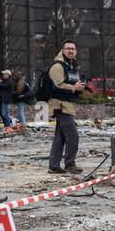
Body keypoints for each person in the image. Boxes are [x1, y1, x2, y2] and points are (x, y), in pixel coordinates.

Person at [47, 40, 87, 174]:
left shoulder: (71, 66)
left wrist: (80, 88)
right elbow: (57, 85)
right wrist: (74, 87)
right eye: (68, 48)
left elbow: (71, 85)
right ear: (63, 50)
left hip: (67, 105)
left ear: (76, 51)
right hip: (60, 105)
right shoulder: (58, 66)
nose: (70, 51)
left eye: (73, 49)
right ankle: (70, 164)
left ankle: (54, 166)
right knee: (73, 135)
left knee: (61, 136)